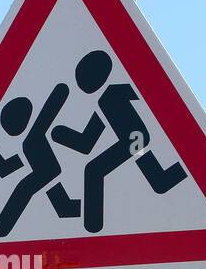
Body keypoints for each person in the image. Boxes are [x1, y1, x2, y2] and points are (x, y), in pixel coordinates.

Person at [51, 49, 187, 233]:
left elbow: (153, 96)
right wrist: (61, 134)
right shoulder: (104, 102)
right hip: (134, 141)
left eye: (82, 78)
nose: (80, 84)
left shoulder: (116, 92)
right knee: (158, 179)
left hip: (135, 139)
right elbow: (87, 142)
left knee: (94, 170)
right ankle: (181, 171)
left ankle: (93, 224)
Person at [0, 86, 81, 238]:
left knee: (24, 190)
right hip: (48, 173)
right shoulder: (30, 141)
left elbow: (52, 106)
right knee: (62, 204)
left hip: (47, 172)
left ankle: (1, 229)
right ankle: (0, 230)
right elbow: (6, 168)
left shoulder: (33, 138)